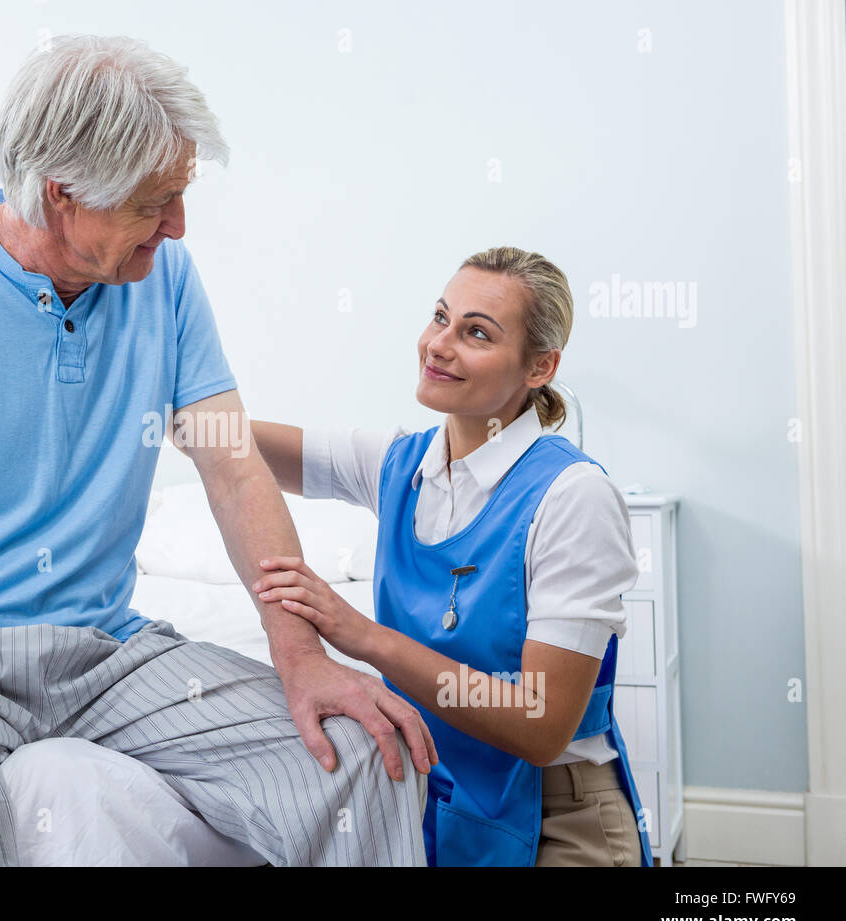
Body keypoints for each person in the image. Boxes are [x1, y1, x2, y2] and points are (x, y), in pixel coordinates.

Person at [0, 33, 434, 867]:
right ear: (62, 195)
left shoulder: (167, 282)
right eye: (156, 202)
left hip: (107, 656)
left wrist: (300, 657)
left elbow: (231, 467)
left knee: (364, 749)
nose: (179, 226)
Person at [250, 247, 654, 866]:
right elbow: (227, 440)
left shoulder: (572, 497)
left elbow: (541, 728)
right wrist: (162, 394)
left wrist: (363, 637)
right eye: (440, 318)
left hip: (556, 817)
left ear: (539, 367)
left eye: (476, 333)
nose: (439, 344)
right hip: (431, 794)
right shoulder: (397, 464)